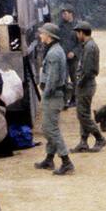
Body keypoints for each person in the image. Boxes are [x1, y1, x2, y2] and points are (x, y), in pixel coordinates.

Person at [34, 24, 73, 174]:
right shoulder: (56, 50)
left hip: (53, 95)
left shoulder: (53, 54)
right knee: (48, 127)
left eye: (42, 33)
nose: (40, 36)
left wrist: (46, 93)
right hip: (55, 95)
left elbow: (53, 78)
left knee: (51, 129)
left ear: (49, 36)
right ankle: (49, 159)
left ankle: (66, 161)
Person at [70, 21, 106, 153]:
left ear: (81, 33)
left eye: (77, 33)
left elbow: (88, 70)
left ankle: (100, 138)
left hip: (86, 85)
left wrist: (79, 83)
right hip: (85, 84)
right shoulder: (87, 45)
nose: (76, 35)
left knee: (83, 115)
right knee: (82, 113)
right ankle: (83, 142)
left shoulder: (90, 47)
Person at [55, 5, 80, 109]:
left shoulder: (78, 26)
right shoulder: (60, 26)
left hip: (74, 58)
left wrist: (74, 52)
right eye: (62, 14)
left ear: (71, 14)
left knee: (74, 78)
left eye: (65, 13)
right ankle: (65, 101)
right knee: (63, 79)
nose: (63, 15)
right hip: (63, 57)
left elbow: (81, 43)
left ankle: (75, 99)